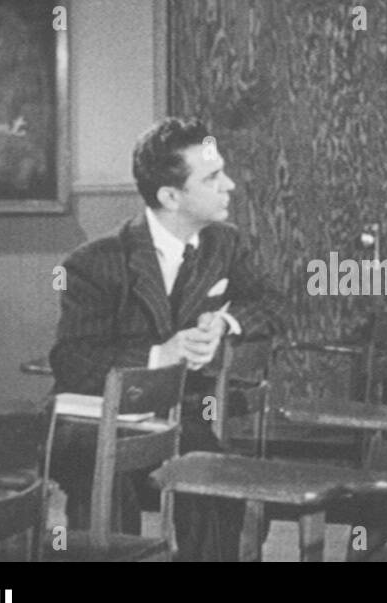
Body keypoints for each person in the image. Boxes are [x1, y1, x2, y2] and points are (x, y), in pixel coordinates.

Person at [49, 117, 288, 560]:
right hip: (93, 422)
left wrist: (224, 324)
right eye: (214, 177)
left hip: (177, 419)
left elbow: (274, 302)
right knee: (105, 477)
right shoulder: (94, 262)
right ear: (170, 196)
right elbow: (73, 363)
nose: (230, 185)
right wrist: (162, 353)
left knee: (218, 485)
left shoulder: (225, 244)